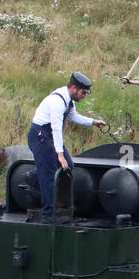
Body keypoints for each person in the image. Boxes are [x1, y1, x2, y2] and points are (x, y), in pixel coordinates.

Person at [27, 71, 108, 220]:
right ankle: (49, 214)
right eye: (83, 92)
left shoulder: (69, 100)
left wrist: (93, 122)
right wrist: (60, 154)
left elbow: (73, 117)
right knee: (49, 174)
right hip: (41, 136)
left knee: (68, 165)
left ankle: (32, 177)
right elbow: (56, 128)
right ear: (74, 88)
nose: (85, 95)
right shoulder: (57, 102)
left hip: (48, 136)